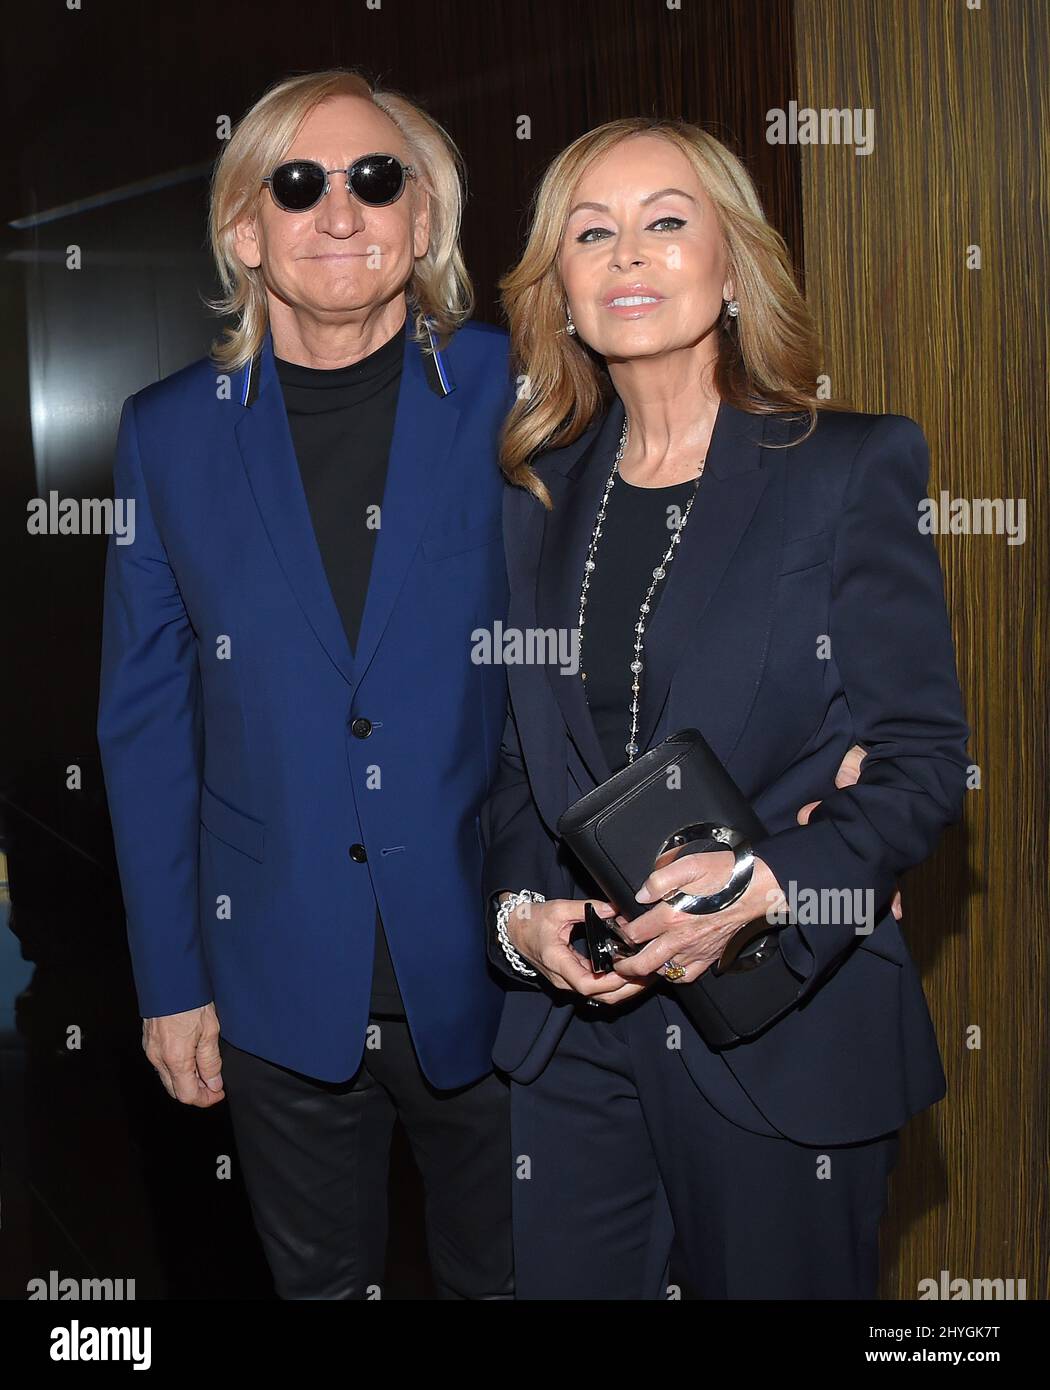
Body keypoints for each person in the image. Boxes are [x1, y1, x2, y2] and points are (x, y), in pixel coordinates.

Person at [481, 117, 970, 1300]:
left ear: (734, 262)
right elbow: (513, 767)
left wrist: (779, 889)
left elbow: (920, 758)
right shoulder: (536, 501)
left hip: (783, 1036)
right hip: (577, 1043)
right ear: (561, 288)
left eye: (665, 222)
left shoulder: (847, 468)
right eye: (590, 233)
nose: (627, 255)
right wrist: (520, 921)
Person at [96, 69, 514, 1299]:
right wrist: (172, 979)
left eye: (377, 179)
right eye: (298, 183)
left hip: (505, 969)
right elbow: (146, 723)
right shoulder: (166, 432)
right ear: (245, 229)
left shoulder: (518, 389)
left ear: (423, 221)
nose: (341, 210)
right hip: (273, 985)